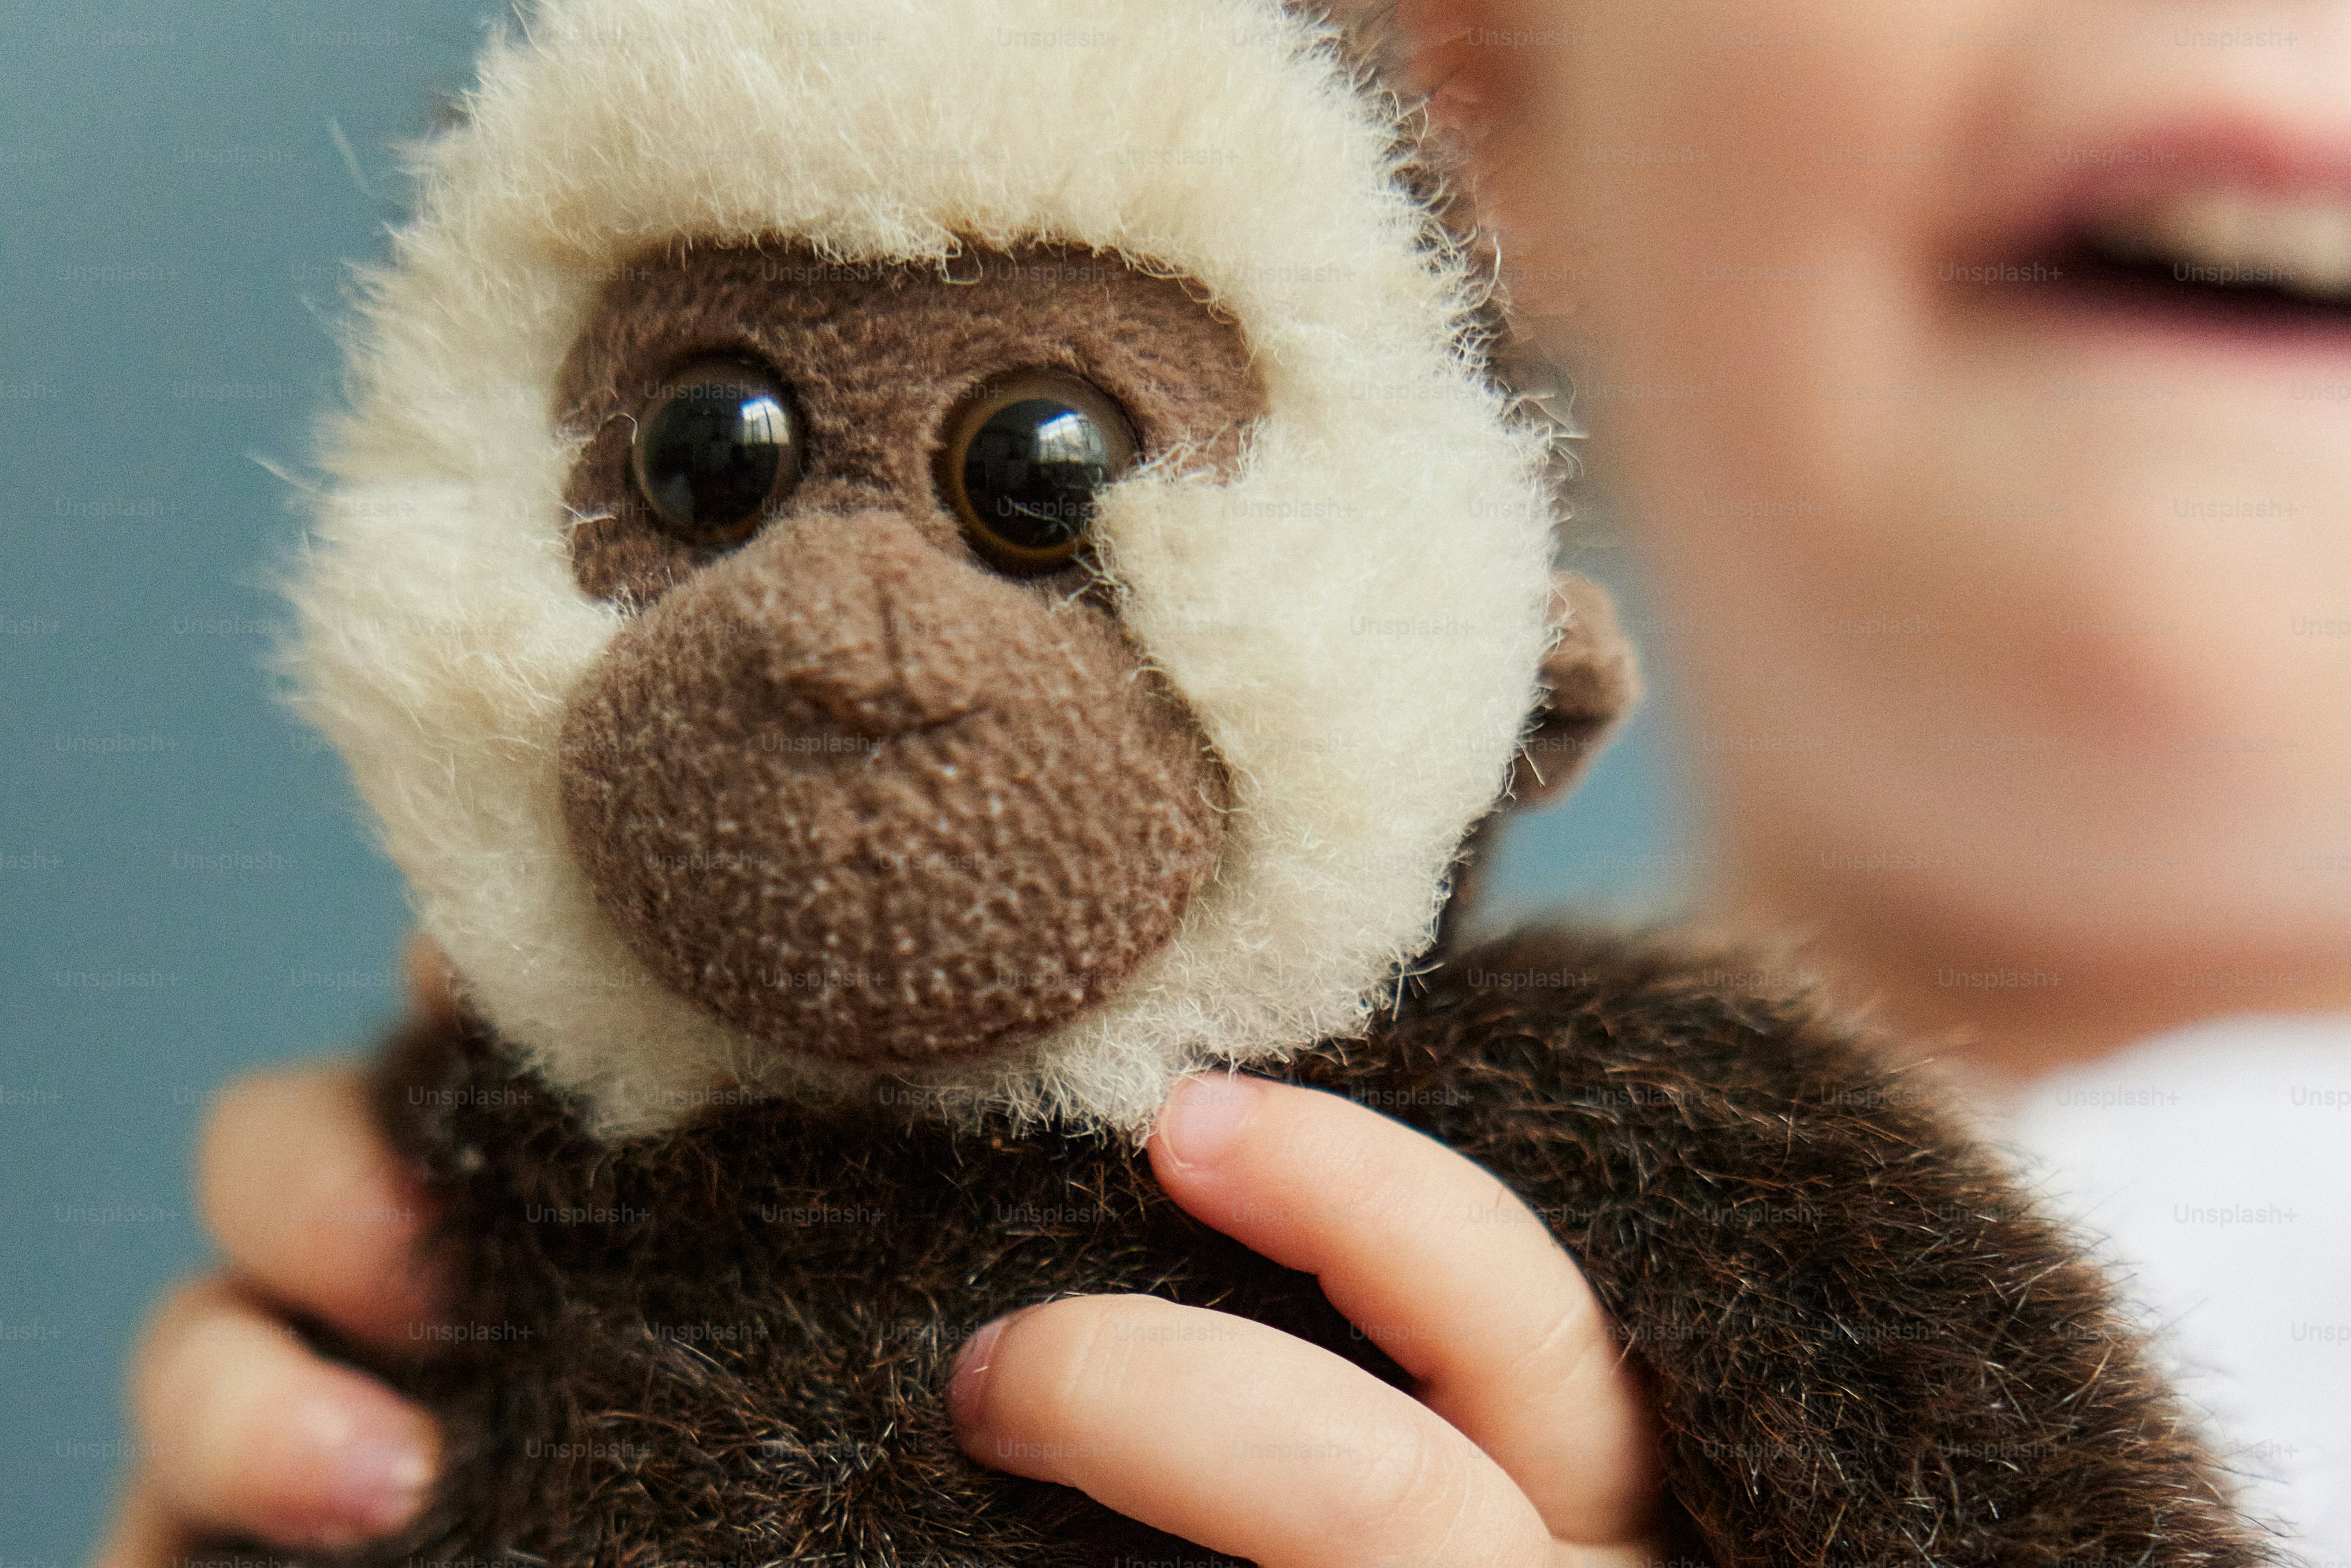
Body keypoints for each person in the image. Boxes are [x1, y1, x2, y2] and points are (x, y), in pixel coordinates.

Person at [98, 0, 2351, 1560]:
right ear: (1467, 92)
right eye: (719, 458)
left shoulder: (1700, 1181)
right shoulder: (490, 1184)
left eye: (1032, 475)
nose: (849, 627)